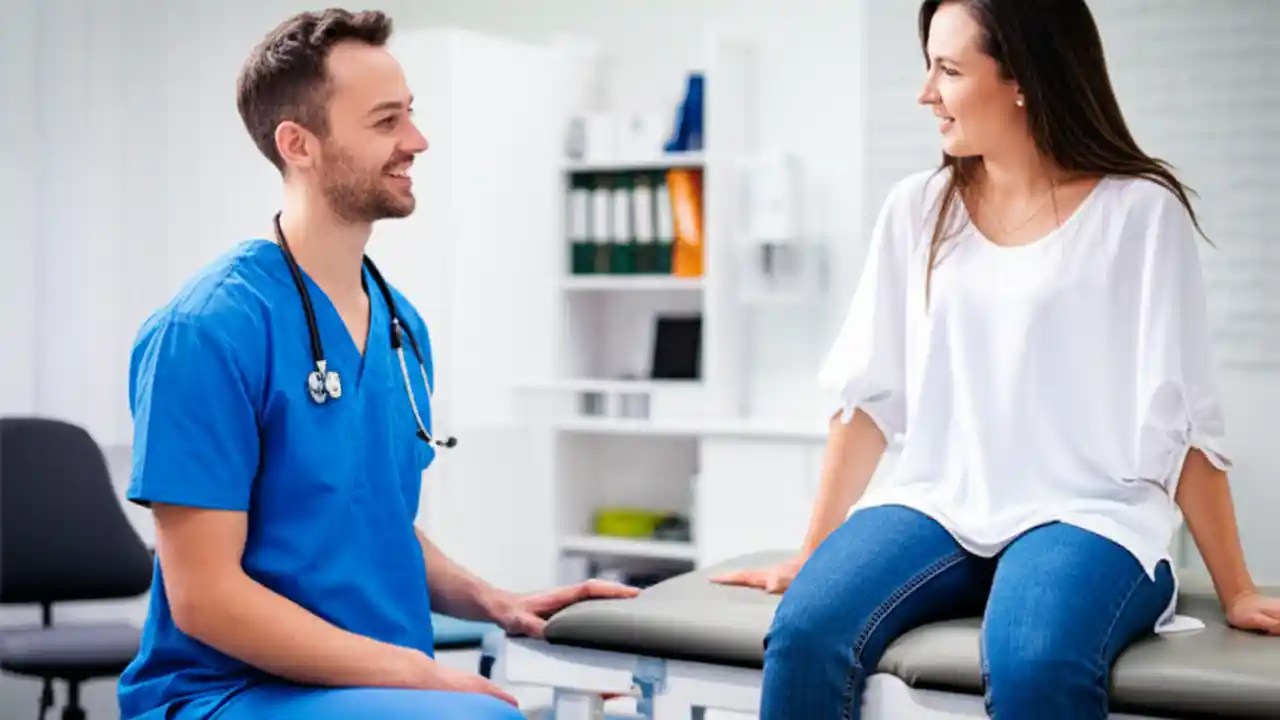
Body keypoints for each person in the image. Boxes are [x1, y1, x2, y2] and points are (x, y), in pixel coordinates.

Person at [713, 1, 1280, 718]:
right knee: (803, 631)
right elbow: (869, 395)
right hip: (940, 501)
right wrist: (812, 551)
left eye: (948, 70)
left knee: (1035, 661)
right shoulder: (918, 208)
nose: (926, 93)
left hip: (1088, 513)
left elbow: (1185, 417)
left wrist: (1238, 589)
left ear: (1022, 78)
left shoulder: (1138, 213)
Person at [116, 9, 638, 720]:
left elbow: (366, 515)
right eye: (386, 121)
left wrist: (495, 601)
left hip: (371, 679)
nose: (417, 141)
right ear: (298, 144)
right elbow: (205, 598)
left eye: (411, 115)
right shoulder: (206, 331)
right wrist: (421, 676)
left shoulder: (400, 326)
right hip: (227, 691)